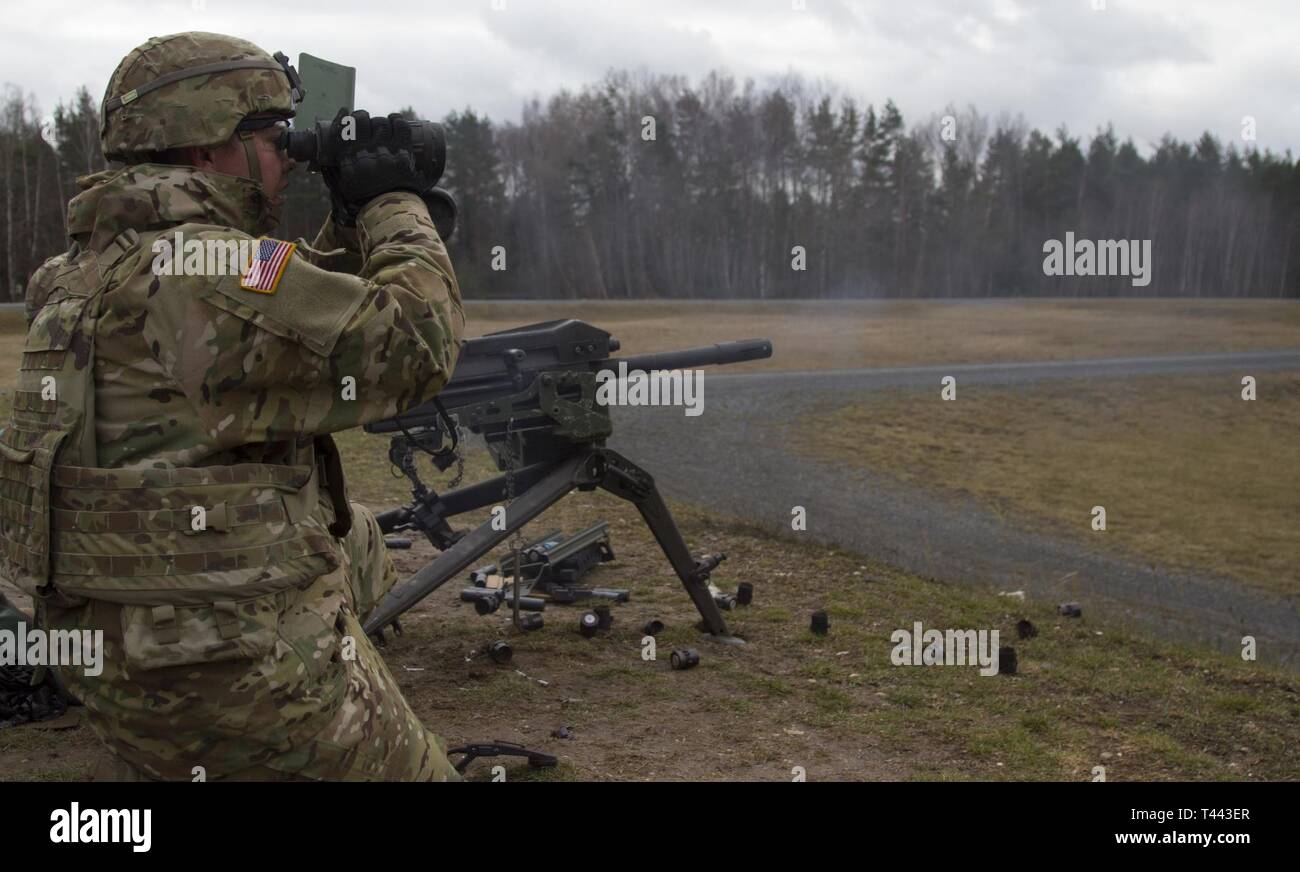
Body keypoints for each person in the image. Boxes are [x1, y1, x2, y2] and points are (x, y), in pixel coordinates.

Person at [0, 32, 465, 780]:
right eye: (278, 139)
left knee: (362, 539)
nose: (289, 157)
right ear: (209, 145)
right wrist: (393, 206)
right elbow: (416, 344)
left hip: (122, 664)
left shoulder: (77, 272)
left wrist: (344, 225)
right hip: (225, 681)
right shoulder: (209, 271)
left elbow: (286, 313)